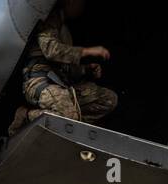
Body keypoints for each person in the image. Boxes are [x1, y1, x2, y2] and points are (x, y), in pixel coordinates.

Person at [8, 0, 117, 135]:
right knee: (68, 116)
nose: (81, 7)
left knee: (107, 99)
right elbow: (51, 50)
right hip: (40, 82)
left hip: (63, 86)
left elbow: (65, 69)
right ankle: (26, 115)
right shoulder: (49, 19)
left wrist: (86, 69)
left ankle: (73, 124)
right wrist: (86, 51)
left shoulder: (64, 30)